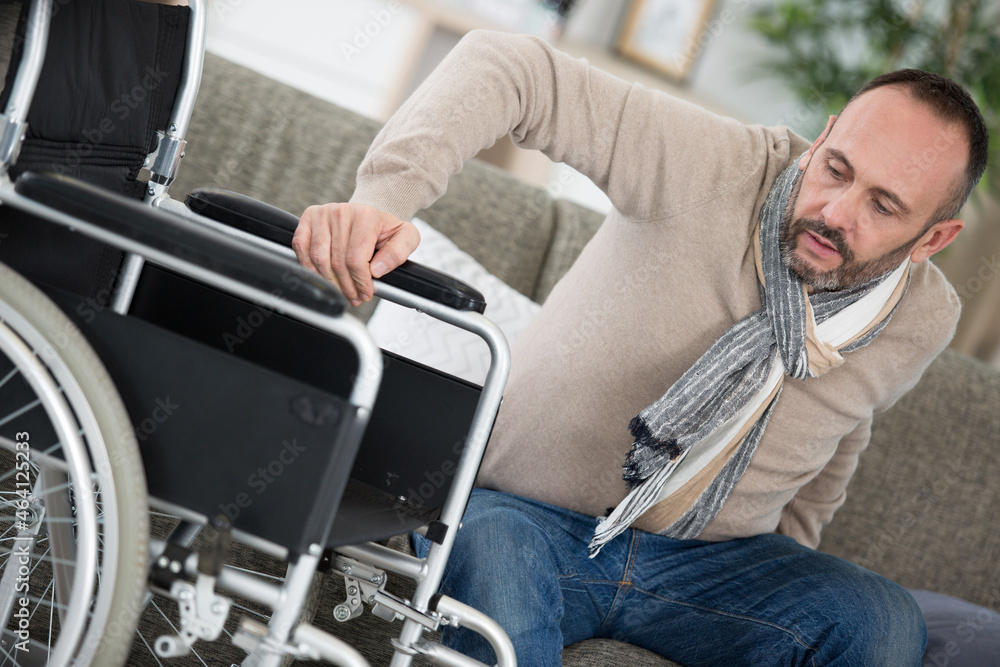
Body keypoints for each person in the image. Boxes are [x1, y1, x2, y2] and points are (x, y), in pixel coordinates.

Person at [293, 30, 989, 666]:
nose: (836, 213)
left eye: (883, 206)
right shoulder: (713, 166)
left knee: (884, 620)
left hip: (710, 570)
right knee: (493, 547)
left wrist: (791, 551)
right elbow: (510, 66)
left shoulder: (921, 318)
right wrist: (386, 198)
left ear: (933, 240)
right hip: (525, 519)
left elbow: (845, 425)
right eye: (835, 168)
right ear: (824, 136)